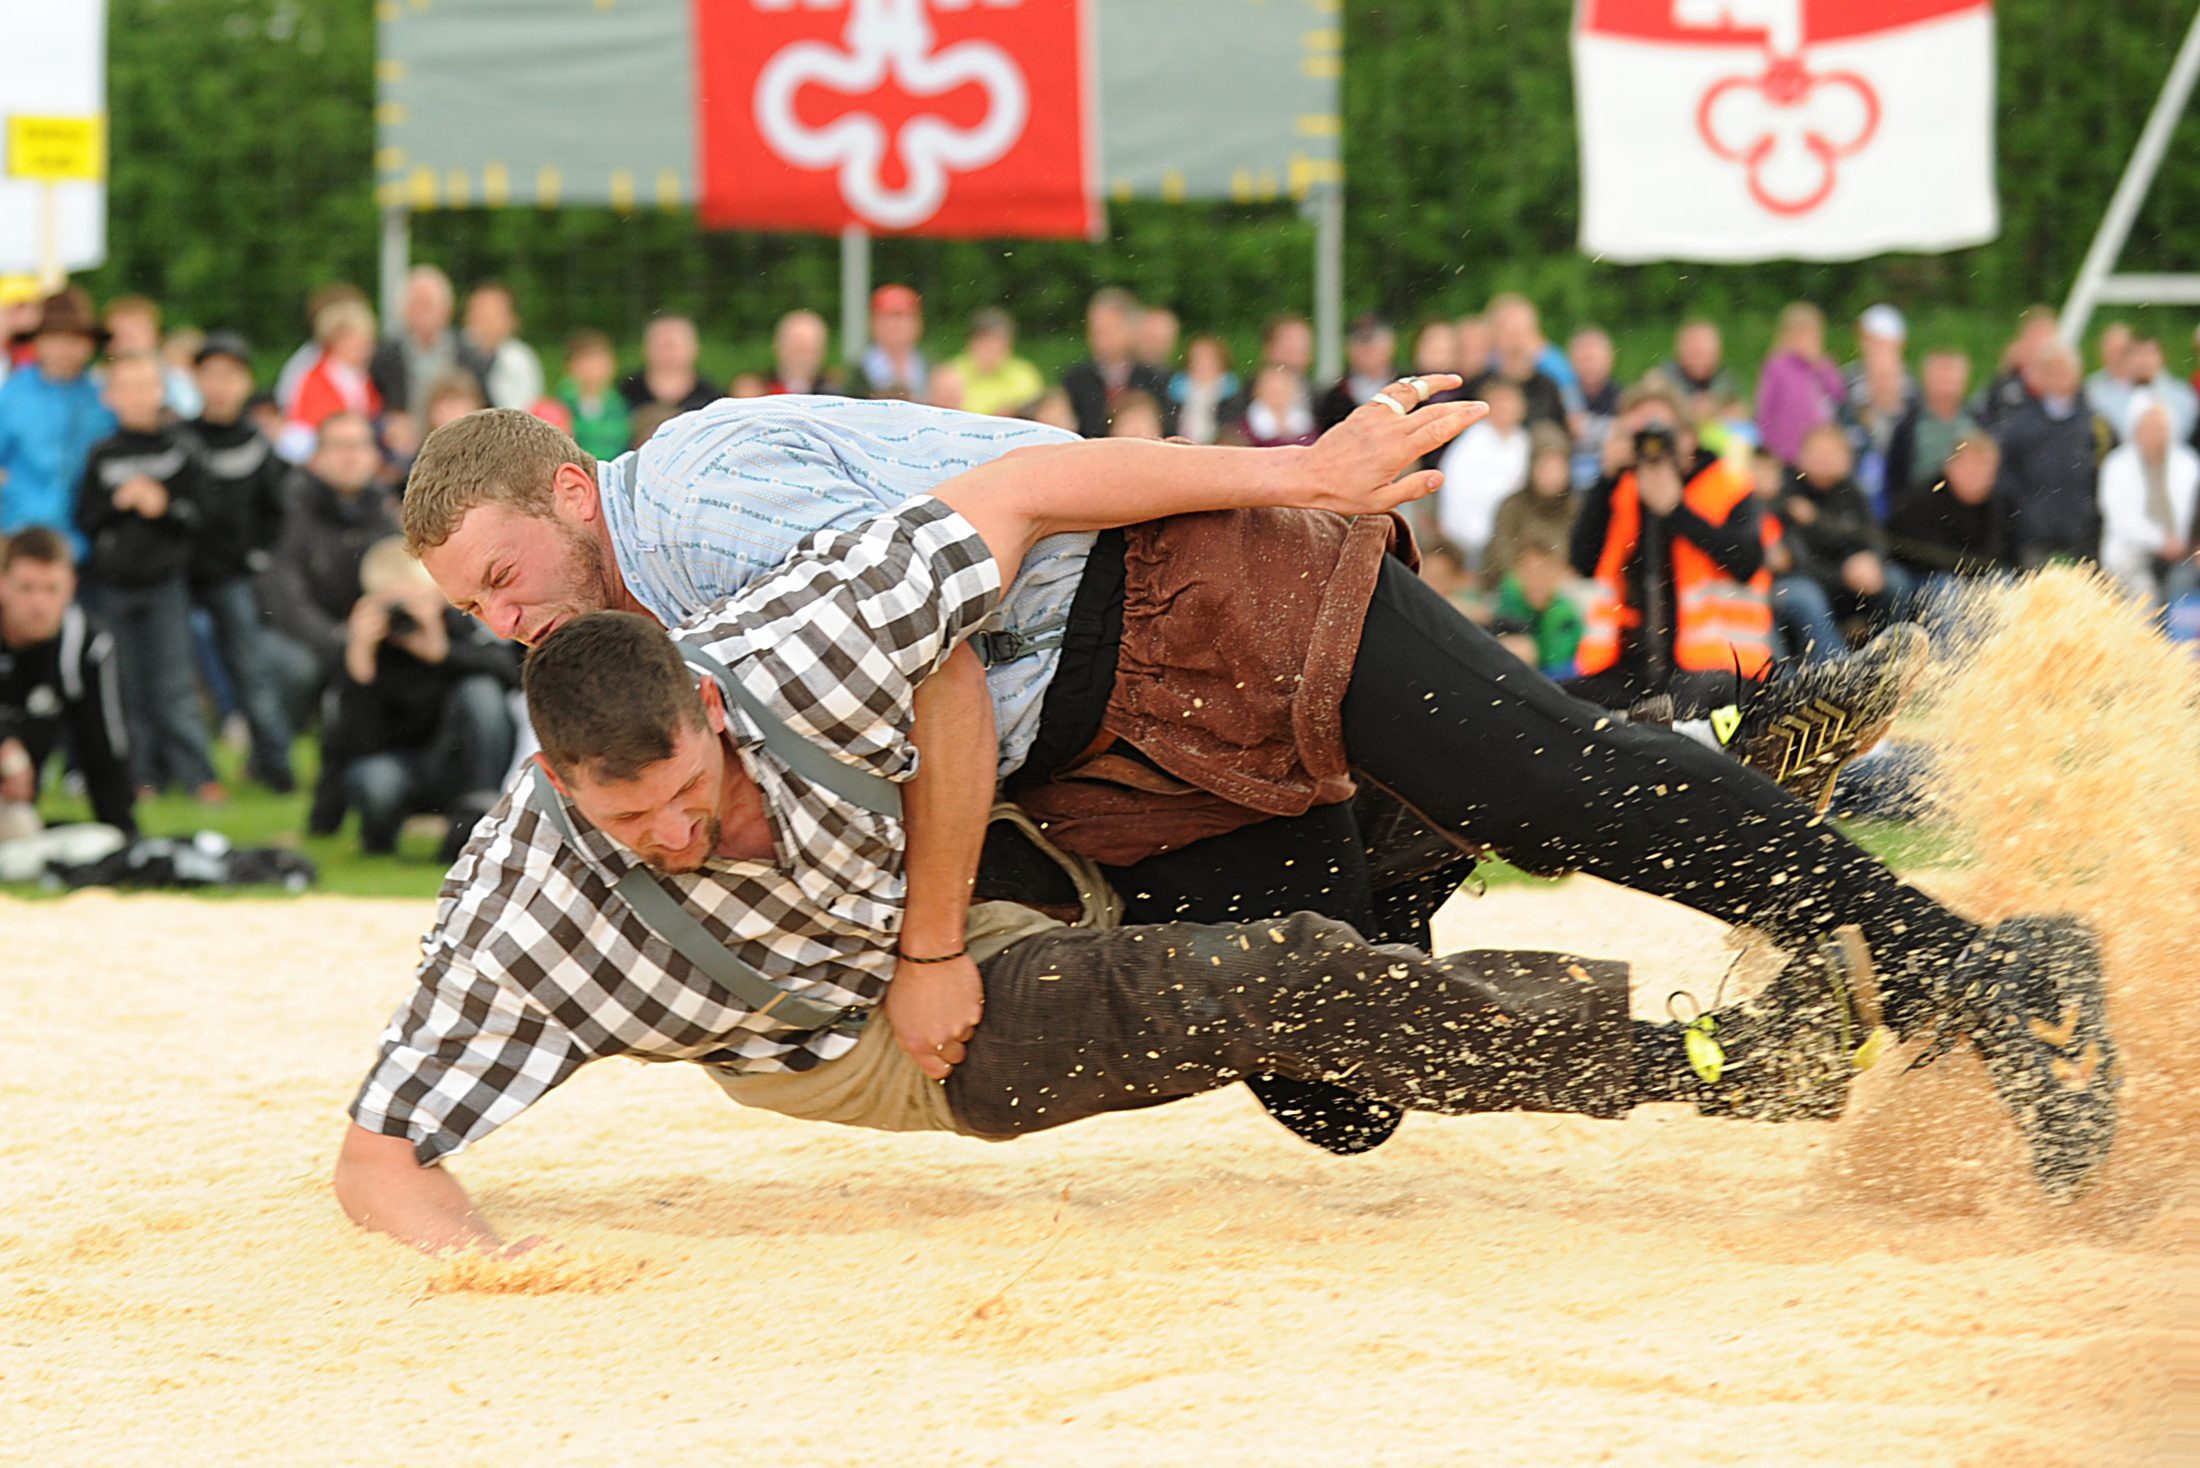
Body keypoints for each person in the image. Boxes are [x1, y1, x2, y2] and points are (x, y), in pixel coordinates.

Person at [334, 442, 2119, 1255]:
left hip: (1182, 600)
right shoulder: (627, 680)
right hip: (1107, 770)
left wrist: (1303, 461)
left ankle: (1980, 965)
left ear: (572, 489)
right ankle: (1701, 752)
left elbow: (1010, 520)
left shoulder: (710, 513)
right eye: (465, 604)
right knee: (1337, 1079)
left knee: (1553, 790)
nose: (495, 619)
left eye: (499, 574)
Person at [313, 537, 517, 857]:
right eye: (396, 606)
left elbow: (511, 674)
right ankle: (378, 844)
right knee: (377, 778)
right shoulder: (362, 650)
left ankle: (479, 810)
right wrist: (359, 667)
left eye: (417, 601)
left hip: (454, 763)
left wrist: (442, 651)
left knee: (481, 691)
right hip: (395, 768)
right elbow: (345, 746)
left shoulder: (455, 629)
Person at [1567, 405, 1776, 714]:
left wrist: (1676, 510)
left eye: (1662, 434)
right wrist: (1606, 479)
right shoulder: (1623, 489)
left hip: (1718, 668)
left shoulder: (1725, 485)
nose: (1653, 448)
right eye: (1640, 436)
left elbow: (1747, 561)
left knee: (1677, 712)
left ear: (1688, 438)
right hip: (1632, 667)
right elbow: (1582, 561)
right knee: (1555, 704)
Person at [78, 353, 220, 798]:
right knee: (125, 687)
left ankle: (198, 776)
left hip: (166, 584)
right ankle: (139, 776)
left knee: (175, 685)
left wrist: (164, 508)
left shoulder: (181, 449)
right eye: (128, 388)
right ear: (110, 396)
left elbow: (205, 514)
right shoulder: (102, 454)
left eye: (146, 386)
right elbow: (85, 517)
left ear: (161, 391)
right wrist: (118, 501)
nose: (138, 398)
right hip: (113, 586)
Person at [182, 332, 295, 792]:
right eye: (210, 374)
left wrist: (256, 554)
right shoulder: (181, 438)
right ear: (195, 379)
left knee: (250, 671)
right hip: (178, 575)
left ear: (246, 381)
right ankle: (186, 771)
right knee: (173, 677)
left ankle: (276, 765)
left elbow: (276, 510)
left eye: (230, 375)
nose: (220, 386)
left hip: (232, 576)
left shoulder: (256, 444)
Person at [259, 412, 401, 724]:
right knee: (297, 666)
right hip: (304, 640)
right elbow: (287, 604)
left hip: (368, 636)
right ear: (316, 458)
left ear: (375, 456)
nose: (350, 456)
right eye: (339, 445)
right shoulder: (290, 511)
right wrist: (344, 640)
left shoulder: (387, 515)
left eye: (359, 445)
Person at [0, 527, 136, 837]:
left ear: (71, 588)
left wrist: (122, 836)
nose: (39, 603)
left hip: (11, 803)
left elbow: (104, 746)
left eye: (51, 589)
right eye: (26, 588)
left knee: (22, 833)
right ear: (2, 585)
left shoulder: (87, 645)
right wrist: (4, 744)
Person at [1773, 424, 1909, 652]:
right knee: (1807, 596)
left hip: (1854, 582)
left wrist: (1872, 561)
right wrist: (1843, 576)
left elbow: (1875, 538)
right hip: (1809, 581)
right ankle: (1833, 668)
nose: (1824, 460)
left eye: (1833, 453)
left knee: (1895, 581)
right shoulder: (1786, 496)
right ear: (1801, 457)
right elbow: (1793, 560)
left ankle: (1891, 652)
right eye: (1817, 452)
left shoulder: (1854, 493)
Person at [0, 288, 115, 554]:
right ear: (37, 342)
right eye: (55, 337)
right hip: (20, 539)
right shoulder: (11, 397)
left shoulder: (104, 399)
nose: (66, 349)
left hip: (90, 541)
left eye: (76, 339)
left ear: (90, 344)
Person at [1994, 342, 2112, 565]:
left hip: (2083, 536)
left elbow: (2107, 474)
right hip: (2032, 537)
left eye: (2064, 370)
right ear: (2040, 376)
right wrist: (2023, 511)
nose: (2059, 377)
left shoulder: (2096, 425)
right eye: (2052, 370)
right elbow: (2006, 473)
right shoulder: (2018, 422)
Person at [1884, 434, 2017, 608]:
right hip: (1929, 578)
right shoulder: (1921, 500)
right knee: (1946, 589)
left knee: (2003, 584)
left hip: (1980, 577)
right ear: (1951, 466)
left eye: (1987, 471)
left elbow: (2010, 556)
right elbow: (1913, 555)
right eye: (1972, 468)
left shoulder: (2001, 505)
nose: (1980, 477)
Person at [2098, 397, 2200, 606]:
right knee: (2143, 603)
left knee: (2183, 598)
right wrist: (2161, 541)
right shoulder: (2117, 465)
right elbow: (2121, 518)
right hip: (2131, 555)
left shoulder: (2188, 463)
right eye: (2149, 427)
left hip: (2182, 554)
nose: (2156, 434)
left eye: (2161, 427)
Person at [371, 266, 487, 426]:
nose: (422, 312)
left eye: (428, 304)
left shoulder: (471, 356)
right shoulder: (383, 357)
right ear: (402, 310)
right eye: (416, 304)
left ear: (447, 309)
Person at [1434, 379, 1530, 568]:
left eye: (1510, 402)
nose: (1504, 408)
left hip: (1513, 536)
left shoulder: (1523, 441)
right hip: (1472, 540)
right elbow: (1456, 492)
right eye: (1498, 402)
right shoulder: (1469, 444)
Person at [280, 298, 381, 464]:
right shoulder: (314, 379)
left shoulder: (366, 381)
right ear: (335, 340)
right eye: (355, 338)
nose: (365, 346)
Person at [1061, 288, 1172, 439]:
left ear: (1131, 330)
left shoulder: (1155, 379)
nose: (1100, 337)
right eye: (1095, 329)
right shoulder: (1076, 380)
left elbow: (1169, 429)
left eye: (1109, 329)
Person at [1484, 421, 1577, 585]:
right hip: (1517, 589)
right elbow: (1500, 556)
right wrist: (1535, 577)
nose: (1551, 474)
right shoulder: (1512, 507)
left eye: (1557, 466)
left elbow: (1586, 556)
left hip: (1564, 591)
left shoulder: (1576, 507)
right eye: (1545, 466)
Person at [1754, 302, 1845, 468]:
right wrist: (1768, 443)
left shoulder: (1821, 365)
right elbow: (1765, 408)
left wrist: (1820, 366)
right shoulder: (1777, 366)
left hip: (1815, 449)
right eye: (1799, 335)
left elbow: (1837, 393)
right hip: (1785, 448)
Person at [1884, 348, 1979, 503]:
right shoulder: (1907, 426)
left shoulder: (1978, 422)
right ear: (1925, 378)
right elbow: (1895, 477)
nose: (1945, 386)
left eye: (1950, 378)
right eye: (1940, 378)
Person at [1488, 536, 1583, 679]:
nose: (1536, 582)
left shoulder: (1565, 615)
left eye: (1543, 574)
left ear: (1556, 576)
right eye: (1529, 574)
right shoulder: (1508, 602)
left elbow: (1561, 663)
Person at [1469, 296, 1568, 430]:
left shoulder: (1547, 387)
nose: (1517, 342)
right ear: (1494, 336)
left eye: (1522, 332)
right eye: (1510, 333)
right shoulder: (1479, 386)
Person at [103, 295, 201, 420]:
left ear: (155, 336)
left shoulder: (180, 384)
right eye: (118, 335)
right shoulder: (96, 382)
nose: (127, 344)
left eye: (134, 333)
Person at [460, 282, 544, 413]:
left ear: (511, 320)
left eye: (493, 314)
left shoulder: (521, 359)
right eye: (480, 312)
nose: (485, 320)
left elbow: (526, 408)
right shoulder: (454, 350)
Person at [619, 314, 718, 417]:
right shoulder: (624, 394)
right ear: (645, 348)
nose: (667, 353)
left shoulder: (711, 397)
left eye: (673, 345)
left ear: (693, 348)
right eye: (660, 345)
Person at [554, 330, 630, 463]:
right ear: (570, 367)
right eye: (585, 362)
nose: (592, 370)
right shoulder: (561, 404)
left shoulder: (618, 404)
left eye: (598, 362)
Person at [1315, 316, 1396, 432]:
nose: (1368, 347)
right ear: (1348, 348)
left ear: (1391, 343)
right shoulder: (1331, 399)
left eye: (1374, 339)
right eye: (1359, 339)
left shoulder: (1412, 389)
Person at [1567, 326, 1621, 489]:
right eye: (1583, 359)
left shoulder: (1623, 398)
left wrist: (1586, 427)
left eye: (1593, 359)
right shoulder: (1561, 396)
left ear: (1610, 360)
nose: (1588, 365)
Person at [860, 284, 928, 399]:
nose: (895, 325)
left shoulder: (934, 370)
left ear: (918, 323)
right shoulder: (857, 374)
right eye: (887, 317)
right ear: (873, 323)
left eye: (902, 317)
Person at [1167, 335, 1236, 446]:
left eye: (1208, 358)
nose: (1202, 363)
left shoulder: (1231, 393)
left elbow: (1231, 428)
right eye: (1197, 358)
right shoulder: (1176, 389)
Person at [1233, 364, 1319, 448]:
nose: (1277, 394)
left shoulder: (1307, 427)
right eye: (1272, 389)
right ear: (1257, 391)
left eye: (1283, 389)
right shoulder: (1244, 430)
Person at [764, 309, 840, 398]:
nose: (801, 359)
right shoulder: (757, 392)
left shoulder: (836, 393)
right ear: (778, 346)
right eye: (795, 350)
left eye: (807, 351)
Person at [1661, 319, 1734, 402]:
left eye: (1704, 353)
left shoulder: (1724, 378)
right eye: (1694, 354)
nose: (1699, 361)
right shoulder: (1662, 381)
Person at [1135, 305, 1180, 374]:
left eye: (1156, 340)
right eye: (1147, 338)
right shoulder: (1121, 374)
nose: (1151, 346)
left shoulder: (1177, 380)